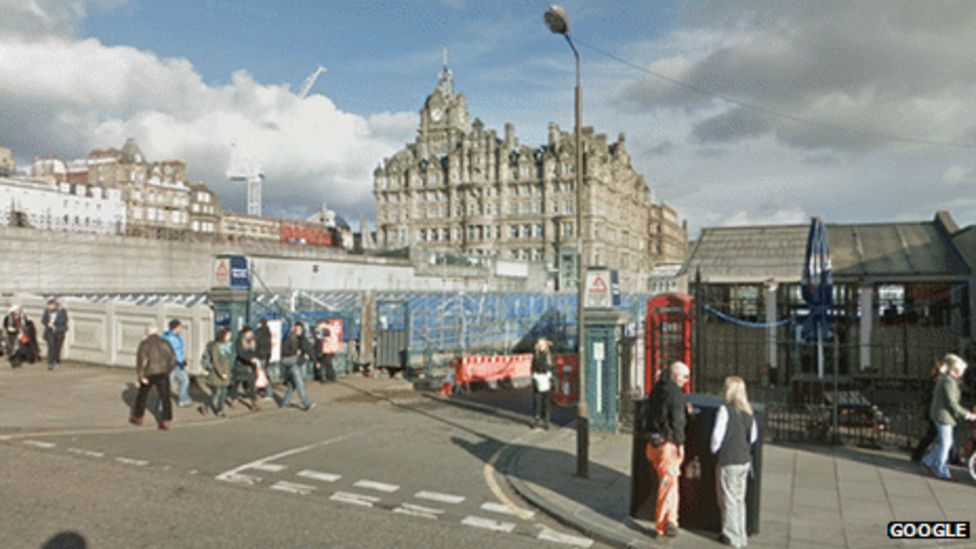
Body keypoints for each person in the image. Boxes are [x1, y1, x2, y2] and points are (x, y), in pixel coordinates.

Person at [711, 376, 759, 548]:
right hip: (744, 461)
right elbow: (753, 438)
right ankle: (741, 535)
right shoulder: (749, 413)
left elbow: (717, 437)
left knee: (728, 499)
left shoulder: (725, 410)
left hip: (728, 460)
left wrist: (714, 450)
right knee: (739, 499)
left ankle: (731, 537)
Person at [644, 361, 690, 539]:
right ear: (676, 375)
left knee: (671, 484)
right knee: (667, 485)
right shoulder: (677, 394)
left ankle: (672, 520)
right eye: (685, 377)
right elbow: (678, 421)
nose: (686, 381)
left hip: (653, 443)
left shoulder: (657, 388)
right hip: (668, 445)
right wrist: (680, 444)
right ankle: (662, 525)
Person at [922, 354, 975, 480]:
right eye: (961, 371)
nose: (963, 373)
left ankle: (928, 460)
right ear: (956, 371)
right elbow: (952, 403)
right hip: (943, 416)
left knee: (946, 442)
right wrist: (967, 415)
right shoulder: (948, 382)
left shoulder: (949, 380)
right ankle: (941, 471)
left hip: (942, 415)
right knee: (946, 444)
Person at [130, 326, 177, 430]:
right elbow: (173, 359)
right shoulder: (165, 343)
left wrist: (141, 375)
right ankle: (166, 420)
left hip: (149, 373)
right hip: (163, 373)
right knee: (165, 398)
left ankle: (138, 417)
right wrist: (168, 370)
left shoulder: (144, 344)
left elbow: (141, 361)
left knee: (142, 396)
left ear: (147, 333)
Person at [912, 359, 949, 463]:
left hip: (933, 410)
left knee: (933, 434)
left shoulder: (936, 380)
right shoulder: (937, 381)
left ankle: (918, 454)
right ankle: (918, 455)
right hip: (934, 411)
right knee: (933, 434)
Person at [280, 321, 316, 411]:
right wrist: (296, 353)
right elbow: (283, 351)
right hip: (288, 360)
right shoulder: (289, 337)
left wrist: (315, 360)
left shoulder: (302, 339)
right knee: (299, 382)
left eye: (300, 328)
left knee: (294, 383)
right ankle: (306, 403)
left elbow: (309, 348)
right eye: (297, 328)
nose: (298, 330)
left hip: (295, 363)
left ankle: (285, 402)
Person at [199, 328, 233, 417]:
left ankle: (220, 410)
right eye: (228, 335)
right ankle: (205, 405)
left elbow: (228, 360)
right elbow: (215, 361)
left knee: (224, 393)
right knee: (216, 392)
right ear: (223, 335)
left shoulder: (227, 346)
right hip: (216, 374)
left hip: (226, 373)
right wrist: (221, 373)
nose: (230, 337)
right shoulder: (216, 346)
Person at [228, 326, 261, 411]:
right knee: (236, 383)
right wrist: (250, 359)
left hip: (250, 366)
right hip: (240, 365)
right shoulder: (239, 341)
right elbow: (240, 353)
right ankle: (233, 400)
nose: (251, 334)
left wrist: (257, 357)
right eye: (249, 333)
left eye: (251, 333)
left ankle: (254, 403)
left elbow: (257, 350)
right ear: (244, 333)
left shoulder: (254, 340)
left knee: (251, 385)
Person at [162, 319, 192, 408]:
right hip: (173, 364)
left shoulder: (174, 336)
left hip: (176, 363)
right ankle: (164, 402)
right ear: (176, 327)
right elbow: (175, 351)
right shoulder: (171, 338)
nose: (181, 329)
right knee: (176, 382)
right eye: (180, 327)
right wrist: (181, 361)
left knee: (184, 380)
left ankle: (183, 399)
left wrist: (182, 360)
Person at [530, 337, 554, 430]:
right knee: (537, 401)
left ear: (546, 345)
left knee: (546, 401)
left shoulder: (549, 355)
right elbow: (532, 366)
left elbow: (553, 367)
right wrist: (534, 375)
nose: (540, 346)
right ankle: (537, 418)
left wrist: (549, 374)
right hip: (538, 378)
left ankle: (546, 420)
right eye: (539, 344)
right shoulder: (535, 355)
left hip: (546, 379)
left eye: (542, 344)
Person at [41, 298, 68, 371]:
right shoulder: (46, 311)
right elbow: (43, 320)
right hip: (50, 331)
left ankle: (56, 360)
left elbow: (64, 320)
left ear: (55, 305)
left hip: (59, 331)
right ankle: (50, 362)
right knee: (51, 345)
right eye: (49, 306)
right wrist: (48, 324)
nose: (50, 307)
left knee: (57, 347)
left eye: (51, 306)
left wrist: (55, 323)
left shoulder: (62, 311)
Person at [255, 319, 275, 400]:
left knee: (262, 374)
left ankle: (268, 393)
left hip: (260, 355)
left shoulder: (259, 332)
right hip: (267, 356)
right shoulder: (268, 332)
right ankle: (264, 391)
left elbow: (256, 344)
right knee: (264, 374)